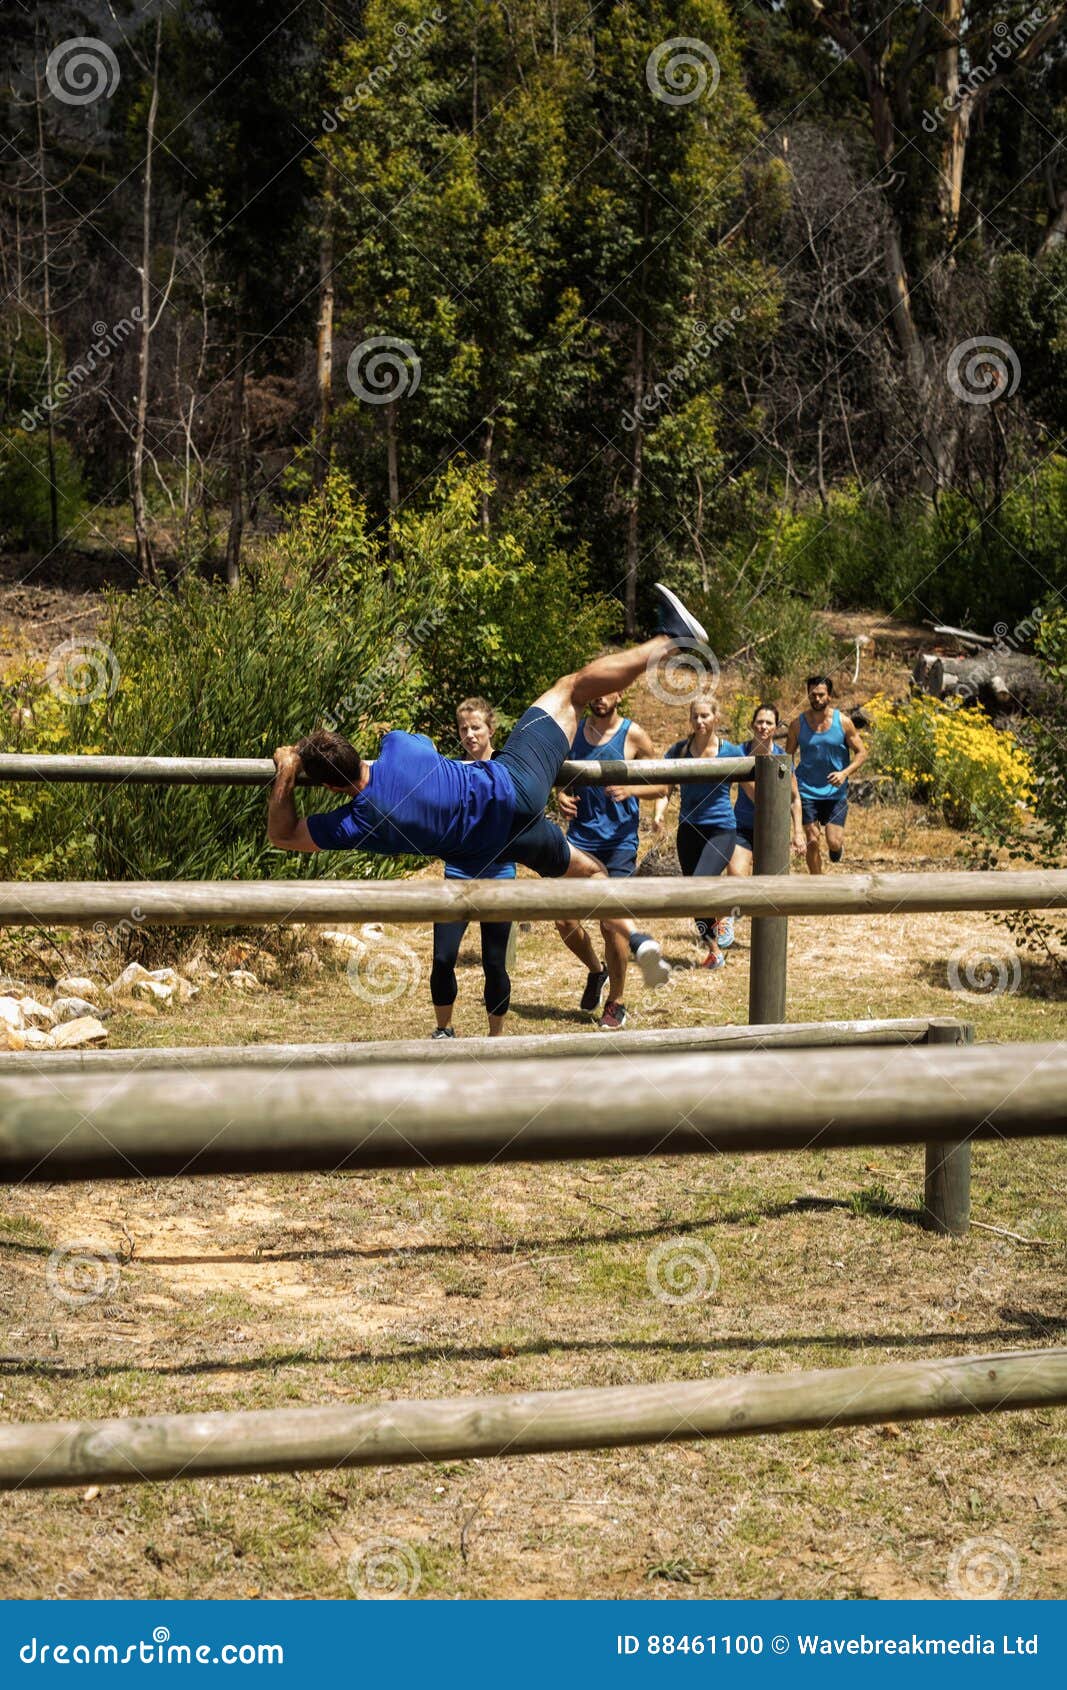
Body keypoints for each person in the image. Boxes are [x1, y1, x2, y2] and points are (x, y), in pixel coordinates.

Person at [267, 583, 707, 987]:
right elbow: (414, 754)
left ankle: (637, 942)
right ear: (352, 750)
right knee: (571, 689)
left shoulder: (355, 823)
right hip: (512, 790)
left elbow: (282, 835)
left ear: (327, 788)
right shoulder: (398, 746)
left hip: (496, 844)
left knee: (586, 873)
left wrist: (287, 770)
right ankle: (669, 640)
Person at [554, 690, 669, 1031]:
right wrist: (558, 795)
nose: (600, 697)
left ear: (620, 693)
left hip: (619, 843)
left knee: (611, 925)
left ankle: (616, 1001)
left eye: (608, 690)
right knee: (563, 919)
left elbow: (665, 783)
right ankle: (596, 970)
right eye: (596, 691)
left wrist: (633, 789)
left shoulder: (632, 734)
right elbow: (556, 774)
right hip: (579, 841)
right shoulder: (573, 731)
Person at [430, 698, 514, 1040]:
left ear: (491, 729)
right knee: (442, 958)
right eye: (463, 728)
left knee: (494, 964)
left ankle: (495, 1038)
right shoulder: (453, 769)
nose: (469, 734)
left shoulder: (507, 766)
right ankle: (443, 1029)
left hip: (499, 876)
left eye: (476, 727)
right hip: (458, 876)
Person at [652, 691, 746, 970]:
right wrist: (659, 814)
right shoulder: (679, 751)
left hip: (721, 829)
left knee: (701, 882)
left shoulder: (731, 752)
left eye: (705, 715)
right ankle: (714, 951)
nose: (699, 720)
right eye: (695, 716)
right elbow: (664, 788)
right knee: (694, 893)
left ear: (716, 718)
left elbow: (753, 787)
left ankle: (725, 919)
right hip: (688, 829)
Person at [785, 675, 868, 875]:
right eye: (813, 694)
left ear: (830, 696)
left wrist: (844, 773)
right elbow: (787, 758)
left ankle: (836, 850)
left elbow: (862, 753)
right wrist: (792, 785)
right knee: (812, 839)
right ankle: (818, 883)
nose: (817, 699)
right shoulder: (797, 725)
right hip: (807, 791)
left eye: (821, 695)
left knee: (833, 841)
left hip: (835, 793)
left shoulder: (844, 722)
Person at [728, 704, 805, 899]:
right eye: (759, 722)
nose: (763, 726)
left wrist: (798, 833)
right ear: (752, 724)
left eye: (768, 723)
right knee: (736, 876)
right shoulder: (740, 752)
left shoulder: (782, 758)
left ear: (776, 727)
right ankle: (730, 923)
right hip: (743, 826)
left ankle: (766, 926)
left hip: (773, 829)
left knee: (771, 889)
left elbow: (794, 798)